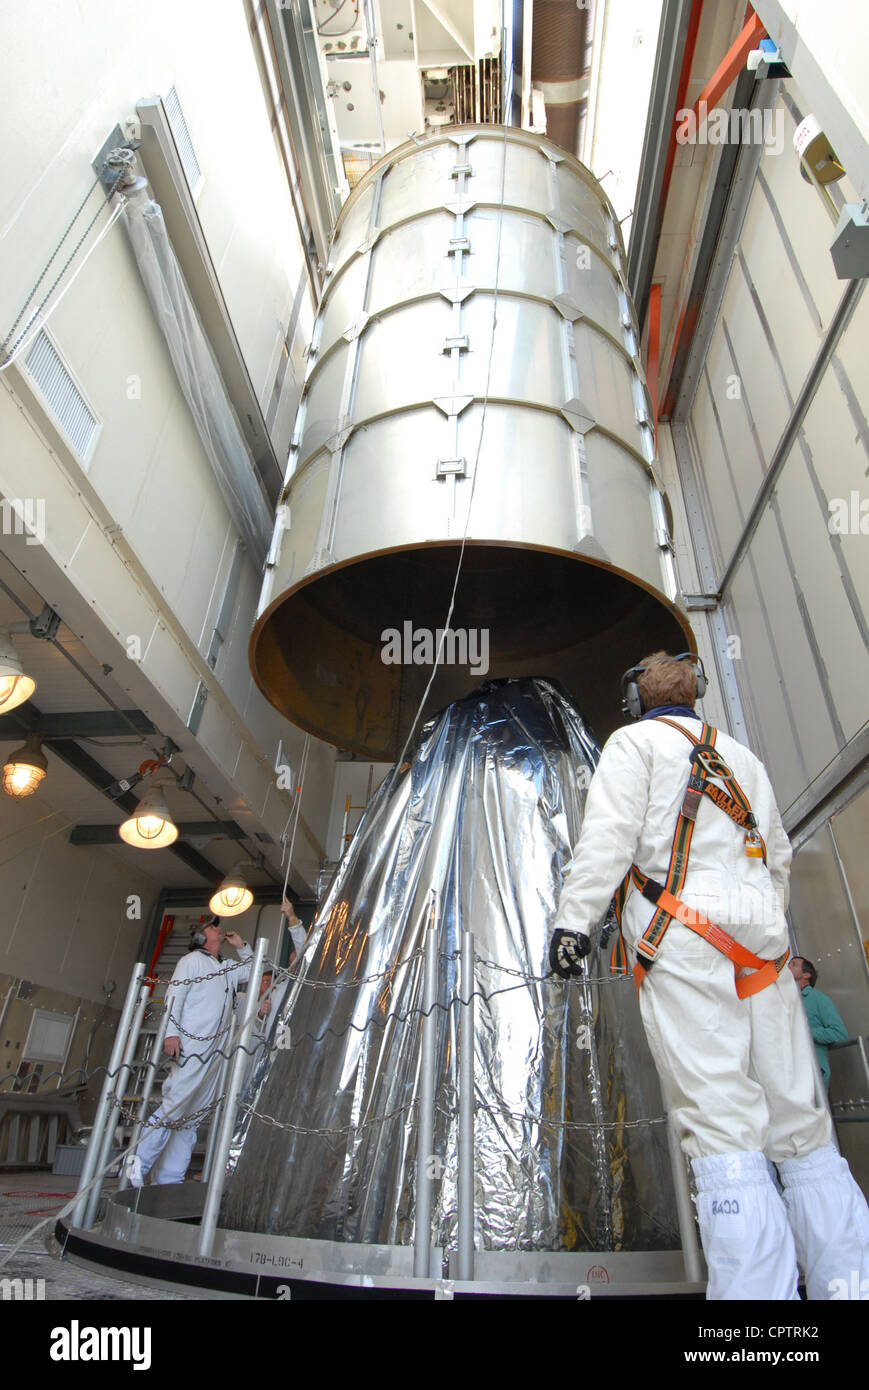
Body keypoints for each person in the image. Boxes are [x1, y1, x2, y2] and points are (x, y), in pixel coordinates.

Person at [549, 650, 869, 1300]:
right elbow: (774, 855)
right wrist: (762, 923)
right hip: (763, 952)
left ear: (638, 700)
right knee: (798, 1126)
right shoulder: (740, 756)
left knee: (722, 1125)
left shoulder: (632, 745)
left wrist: (573, 923)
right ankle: (848, 1286)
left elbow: (607, 837)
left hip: (683, 942)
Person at [122, 918, 253, 1186]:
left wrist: (242, 946)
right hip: (191, 1044)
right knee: (175, 1105)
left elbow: (253, 970)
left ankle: (169, 1179)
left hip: (215, 1048)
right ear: (202, 937)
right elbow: (175, 997)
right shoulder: (191, 961)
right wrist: (170, 1033)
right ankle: (136, 1163)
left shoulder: (225, 967)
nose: (219, 929)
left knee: (192, 1117)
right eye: (213, 927)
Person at [789, 956, 849, 1087]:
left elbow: (839, 1033)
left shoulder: (818, 998)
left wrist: (807, 1031)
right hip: (789, 1071)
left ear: (806, 975)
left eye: (793, 964)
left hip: (812, 1071)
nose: (788, 966)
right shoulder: (785, 999)